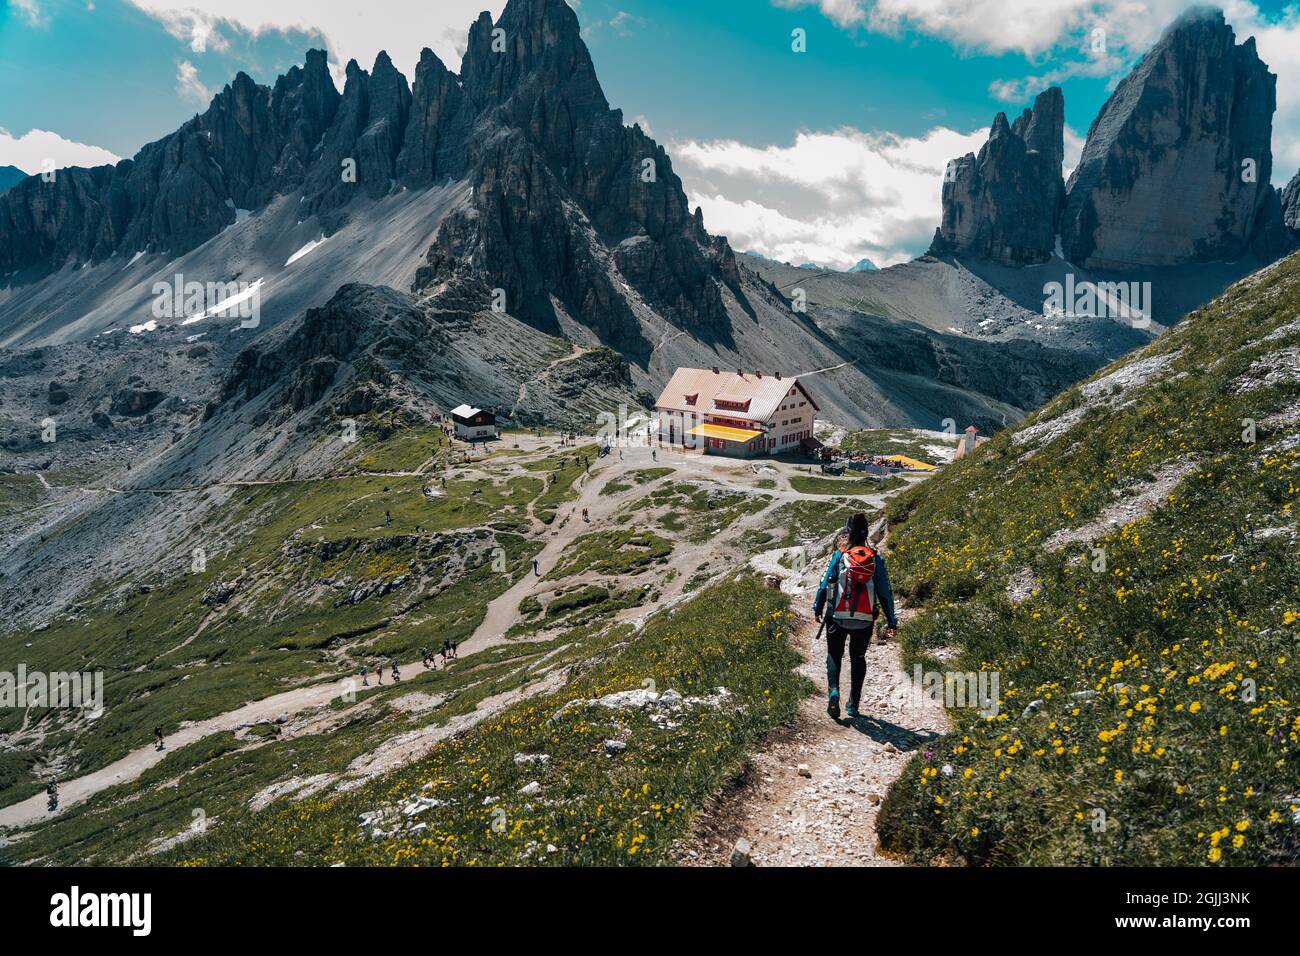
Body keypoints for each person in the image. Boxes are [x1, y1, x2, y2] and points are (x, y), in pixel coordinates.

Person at [813, 512, 898, 721]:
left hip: (838, 616)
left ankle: (834, 691)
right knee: (858, 658)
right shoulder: (875, 559)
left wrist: (818, 606)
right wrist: (891, 621)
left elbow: (825, 583)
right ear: (867, 532)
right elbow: (885, 591)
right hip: (865, 618)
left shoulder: (840, 556)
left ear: (848, 532)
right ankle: (853, 704)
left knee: (834, 654)